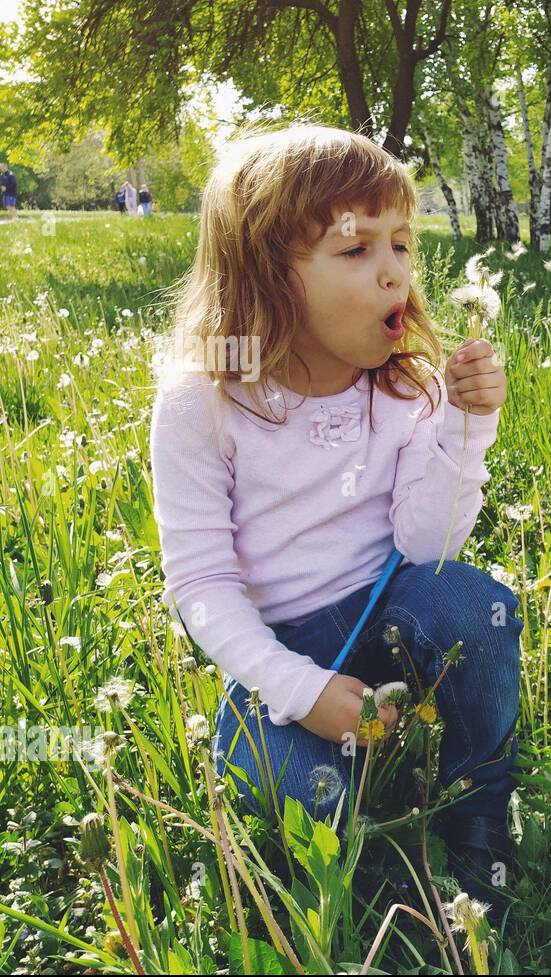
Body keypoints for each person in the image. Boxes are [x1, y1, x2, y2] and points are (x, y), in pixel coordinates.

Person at [149, 124, 520, 907]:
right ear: (266, 277)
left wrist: (465, 421)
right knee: (312, 802)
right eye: (355, 251)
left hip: (389, 612)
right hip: (276, 651)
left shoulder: (399, 386)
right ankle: (328, 786)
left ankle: (478, 807)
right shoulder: (203, 401)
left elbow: (428, 544)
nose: (394, 274)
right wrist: (299, 689)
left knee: (475, 605)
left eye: (400, 244)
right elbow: (204, 584)